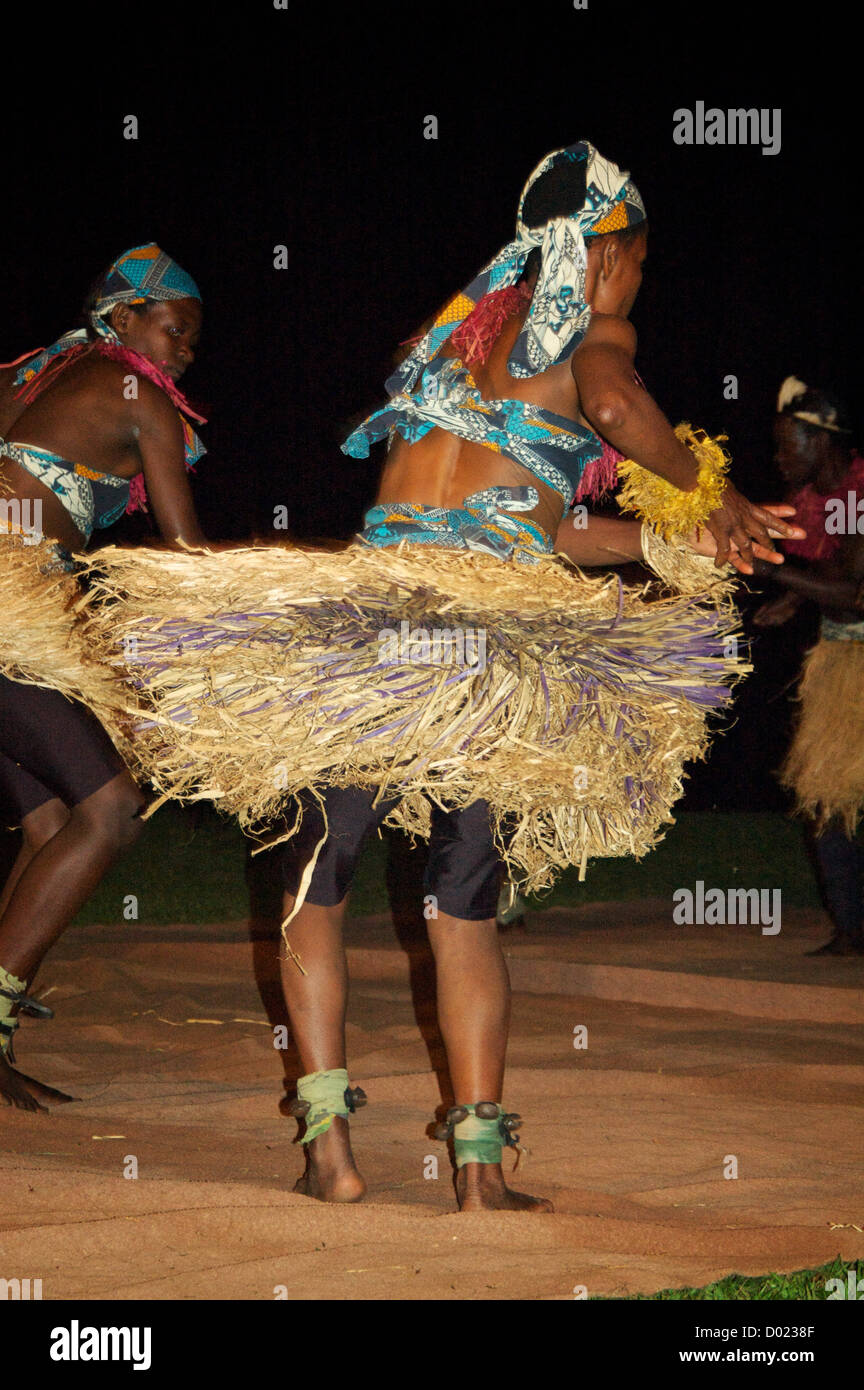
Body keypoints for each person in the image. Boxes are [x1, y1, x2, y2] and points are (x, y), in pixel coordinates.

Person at [272, 141, 801, 1211]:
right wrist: (712, 494)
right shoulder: (597, 330)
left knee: (313, 883)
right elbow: (613, 412)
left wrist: (659, 547)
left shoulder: (450, 344)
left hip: (373, 621)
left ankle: (329, 1147)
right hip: (472, 646)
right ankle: (475, 1165)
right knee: (460, 906)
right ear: (607, 255)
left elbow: (527, 522)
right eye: (641, 264)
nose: (639, 286)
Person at [0, 242, 210, 1110]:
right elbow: (187, 553)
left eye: (193, 341)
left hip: (17, 618)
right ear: (123, 318)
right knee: (112, 807)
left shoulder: (31, 378)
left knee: (52, 822)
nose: (183, 353)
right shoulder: (140, 399)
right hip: (7, 619)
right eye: (174, 330)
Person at [753, 377, 864, 955]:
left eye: (785, 444)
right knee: (826, 791)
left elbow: (850, 591)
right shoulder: (820, 502)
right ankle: (851, 927)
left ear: (820, 443)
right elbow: (828, 572)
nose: (777, 457)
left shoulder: (858, 498)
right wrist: (793, 598)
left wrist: (769, 569)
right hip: (841, 656)